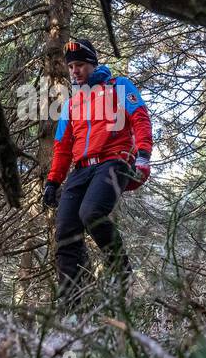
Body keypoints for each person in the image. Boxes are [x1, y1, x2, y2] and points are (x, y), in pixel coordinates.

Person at [42, 37, 153, 311]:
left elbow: (140, 118)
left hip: (114, 161)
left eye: (79, 65)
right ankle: (71, 309)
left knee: (91, 212)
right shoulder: (71, 104)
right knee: (65, 233)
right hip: (80, 170)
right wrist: (53, 181)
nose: (74, 71)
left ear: (92, 63)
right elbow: (62, 147)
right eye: (70, 67)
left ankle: (122, 272)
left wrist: (143, 156)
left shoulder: (119, 86)